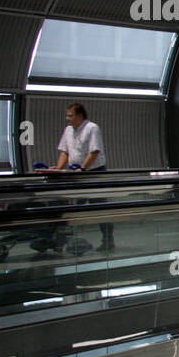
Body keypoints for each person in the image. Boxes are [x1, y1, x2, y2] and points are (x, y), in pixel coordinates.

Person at [55, 103, 114, 251]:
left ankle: (108, 240)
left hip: (93, 173)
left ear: (80, 116)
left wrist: (83, 169)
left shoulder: (92, 128)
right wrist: (58, 168)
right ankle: (68, 241)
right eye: (66, 115)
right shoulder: (68, 130)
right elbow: (64, 151)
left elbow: (94, 152)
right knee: (74, 207)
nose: (67, 118)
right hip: (74, 173)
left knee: (100, 207)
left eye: (70, 115)